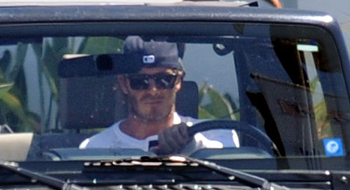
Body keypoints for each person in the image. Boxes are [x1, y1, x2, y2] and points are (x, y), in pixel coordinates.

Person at [80, 36, 237, 154]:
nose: (153, 90)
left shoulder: (217, 134)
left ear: (178, 81)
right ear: (124, 84)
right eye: (140, 81)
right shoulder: (94, 148)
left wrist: (192, 144)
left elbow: (231, 172)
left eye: (164, 80)